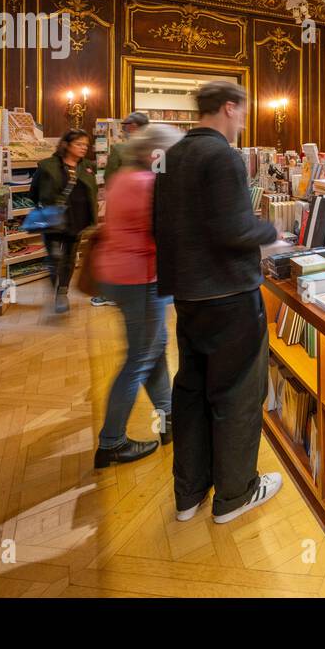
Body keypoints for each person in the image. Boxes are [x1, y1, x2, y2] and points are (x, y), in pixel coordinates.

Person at [153, 80, 282, 524]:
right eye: (243, 112)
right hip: (230, 297)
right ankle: (235, 494)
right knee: (238, 395)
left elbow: (163, 228)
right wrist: (273, 233)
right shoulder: (223, 156)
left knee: (191, 390)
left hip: (189, 297)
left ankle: (189, 493)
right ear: (229, 108)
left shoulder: (170, 156)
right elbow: (235, 230)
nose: (243, 121)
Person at [92, 123, 182, 468]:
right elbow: (166, 229)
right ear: (155, 154)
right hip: (140, 278)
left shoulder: (123, 177)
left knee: (153, 349)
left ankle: (169, 417)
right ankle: (112, 441)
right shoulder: (147, 184)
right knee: (140, 359)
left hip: (122, 274)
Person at [29, 129, 98, 314]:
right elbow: (34, 191)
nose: (84, 148)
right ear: (66, 145)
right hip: (52, 218)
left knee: (68, 258)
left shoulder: (89, 166)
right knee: (54, 257)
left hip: (77, 219)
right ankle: (55, 287)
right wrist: (44, 207)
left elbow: (93, 192)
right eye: (79, 144)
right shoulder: (47, 166)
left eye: (86, 145)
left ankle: (62, 292)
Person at [91, 112, 149, 308]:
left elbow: (109, 178)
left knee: (117, 248)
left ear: (132, 126)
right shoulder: (157, 149)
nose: (124, 128)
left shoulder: (120, 148)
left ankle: (111, 294)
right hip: (149, 210)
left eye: (125, 125)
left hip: (122, 208)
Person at [103, 111, 149, 180]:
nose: (124, 131)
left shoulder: (118, 149)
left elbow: (108, 177)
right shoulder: (156, 149)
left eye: (125, 128)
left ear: (132, 127)